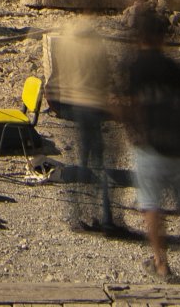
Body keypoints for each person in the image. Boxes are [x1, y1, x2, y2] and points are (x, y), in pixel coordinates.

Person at [116, 5, 180, 280]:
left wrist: (131, 130)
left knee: (152, 206)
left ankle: (161, 262)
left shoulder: (132, 67)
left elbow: (127, 105)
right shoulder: (173, 67)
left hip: (151, 143)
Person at [48, 15, 118, 232]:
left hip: (78, 105)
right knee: (97, 163)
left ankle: (85, 215)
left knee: (85, 162)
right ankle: (103, 215)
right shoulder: (95, 50)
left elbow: (57, 79)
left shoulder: (69, 47)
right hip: (93, 107)